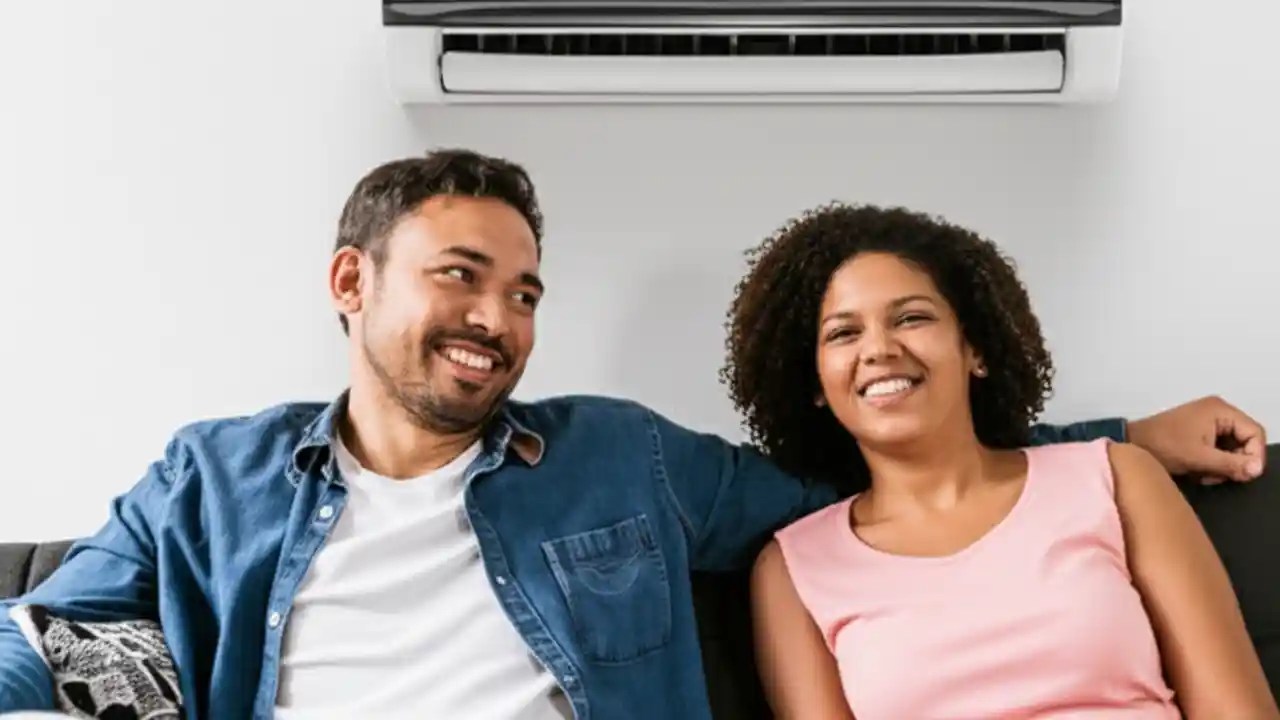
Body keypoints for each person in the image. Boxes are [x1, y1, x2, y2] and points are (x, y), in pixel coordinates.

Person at [0, 150, 1268, 720]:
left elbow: (899, 463)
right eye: (459, 277)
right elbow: (42, 638)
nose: (496, 320)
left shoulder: (617, 456)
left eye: (524, 292)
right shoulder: (210, 479)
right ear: (351, 281)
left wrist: (1116, 437)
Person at [725, 203, 1278, 719]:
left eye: (911, 318)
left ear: (976, 348)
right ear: (815, 383)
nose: (879, 349)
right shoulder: (794, 570)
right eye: (844, 333)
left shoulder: (1117, 479)